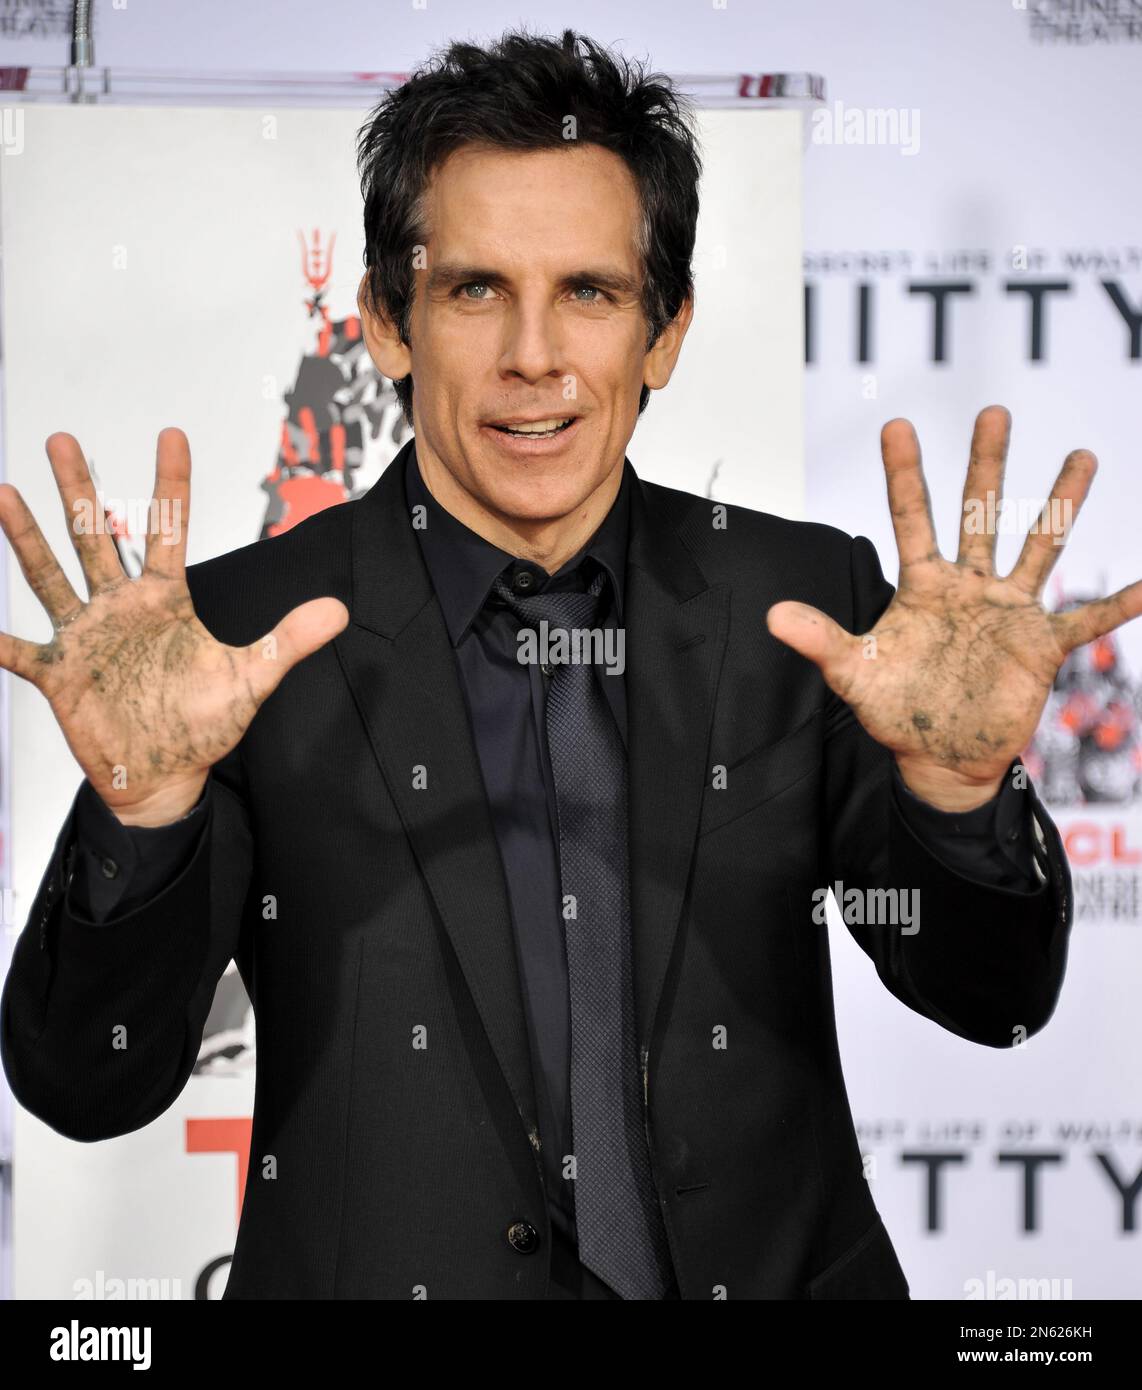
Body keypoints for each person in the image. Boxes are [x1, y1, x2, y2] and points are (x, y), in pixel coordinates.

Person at [1, 29, 1136, 1300]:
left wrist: (959, 799)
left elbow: (990, 999)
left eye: (589, 292)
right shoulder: (240, 639)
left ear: (664, 333)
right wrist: (143, 816)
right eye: (474, 289)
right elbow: (86, 1081)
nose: (533, 355)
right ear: (385, 321)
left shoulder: (803, 605)